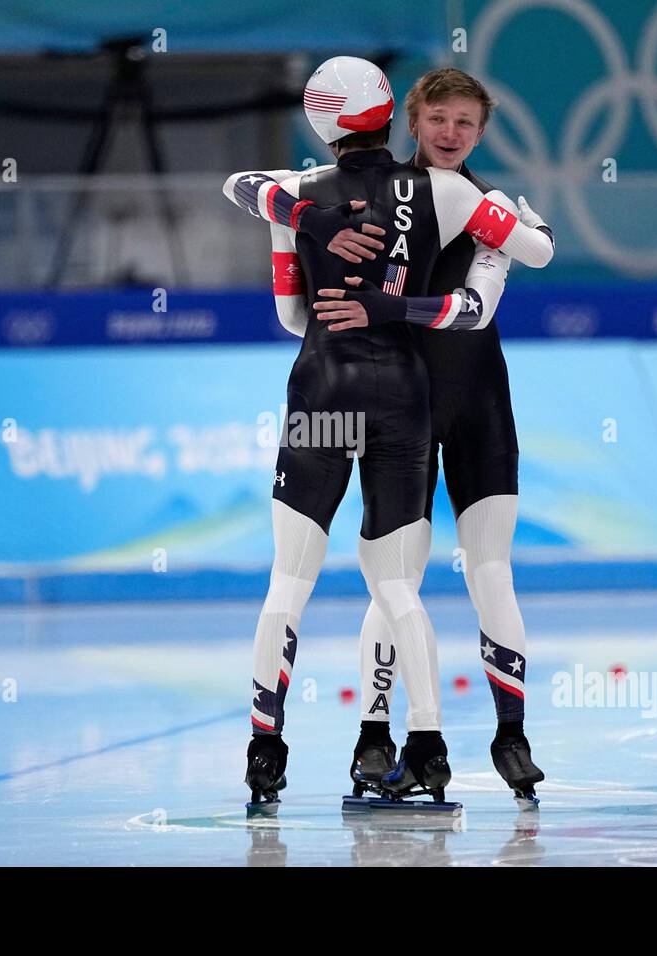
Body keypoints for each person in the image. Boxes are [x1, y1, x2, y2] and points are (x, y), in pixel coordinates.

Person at [224, 57, 554, 811]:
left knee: (353, 576)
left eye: (464, 123)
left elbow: (287, 306)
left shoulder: (303, 189)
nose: (449, 132)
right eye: (439, 120)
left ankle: (276, 748)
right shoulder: (451, 195)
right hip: (412, 399)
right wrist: (517, 224)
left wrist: (303, 224)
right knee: (400, 578)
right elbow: (503, 283)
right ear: (403, 120)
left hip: (346, 389)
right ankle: (408, 738)